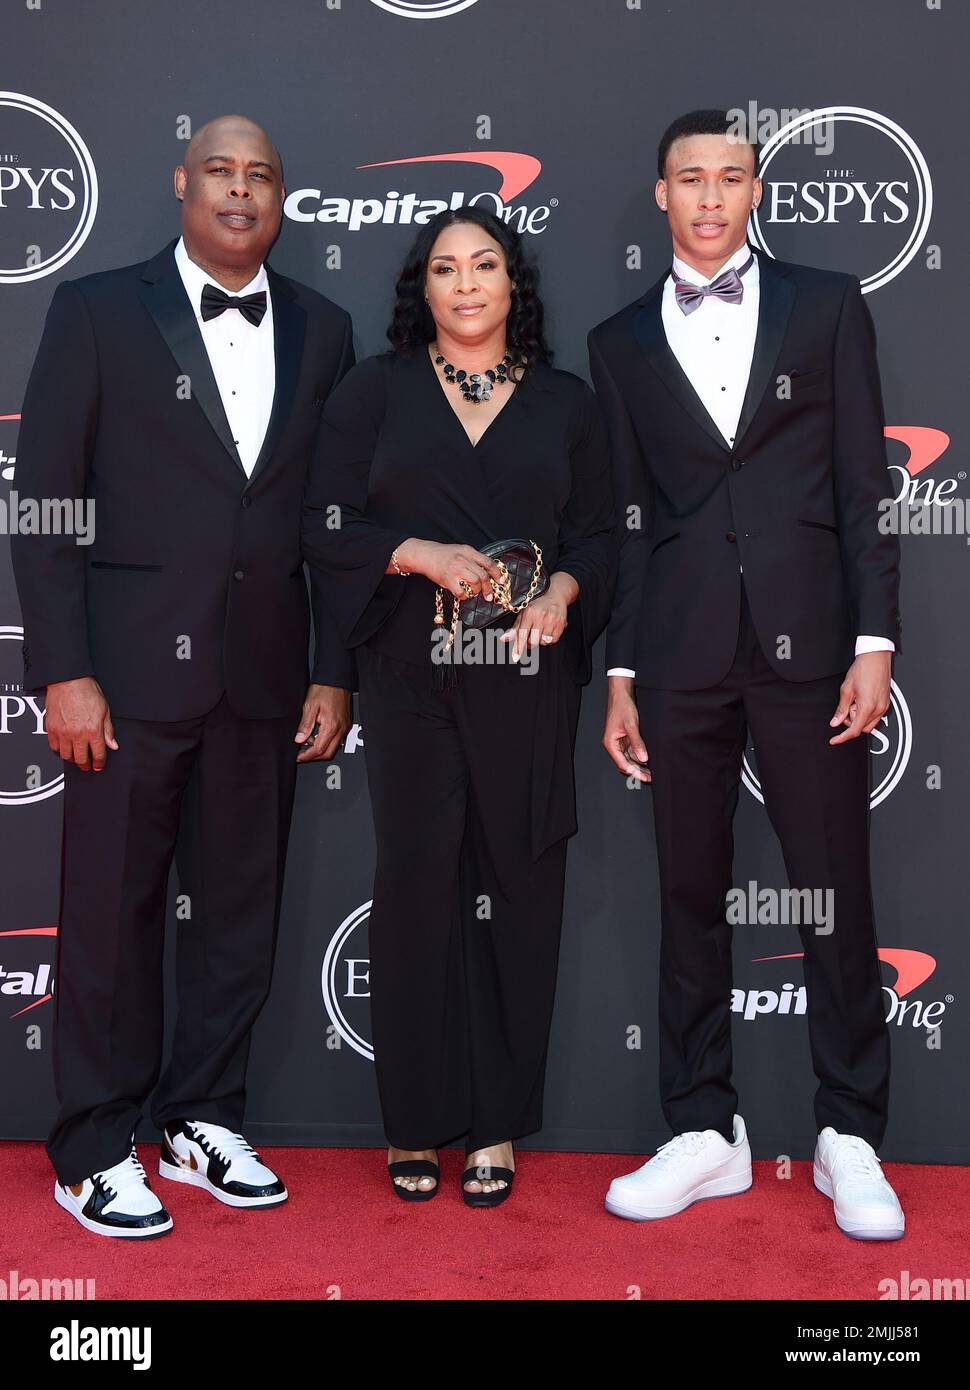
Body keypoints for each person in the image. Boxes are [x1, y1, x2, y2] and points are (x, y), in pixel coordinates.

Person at [12, 115, 355, 1238]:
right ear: (181, 182)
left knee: (238, 916)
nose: (241, 190)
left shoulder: (323, 326)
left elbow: (330, 521)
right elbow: (47, 503)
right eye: (221, 171)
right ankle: (97, 1143)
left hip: (264, 680)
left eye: (262, 173)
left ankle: (205, 1113)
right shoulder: (98, 309)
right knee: (109, 915)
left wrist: (331, 666)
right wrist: (63, 670)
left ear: (281, 195)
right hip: (121, 681)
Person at [590, 109, 905, 1239]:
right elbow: (627, 524)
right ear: (662, 195)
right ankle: (703, 1128)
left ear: (758, 190)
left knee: (832, 888)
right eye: (690, 179)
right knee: (685, 892)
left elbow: (866, 485)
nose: (711, 197)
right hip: (675, 653)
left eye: (731, 177)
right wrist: (620, 668)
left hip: (810, 645)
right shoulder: (618, 342)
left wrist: (875, 642)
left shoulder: (825, 307)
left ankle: (850, 1132)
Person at [302, 206, 614, 1206]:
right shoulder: (373, 392)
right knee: (418, 889)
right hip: (409, 674)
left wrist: (565, 594)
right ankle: (414, 1120)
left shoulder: (567, 403)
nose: (468, 282)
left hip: (527, 682)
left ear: (512, 284)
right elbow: (323, 521)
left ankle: (494, 1127)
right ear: (421, 288)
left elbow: (603, 537)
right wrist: (409, 549)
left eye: (486, 264)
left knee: (519, 893)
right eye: (447, 268)